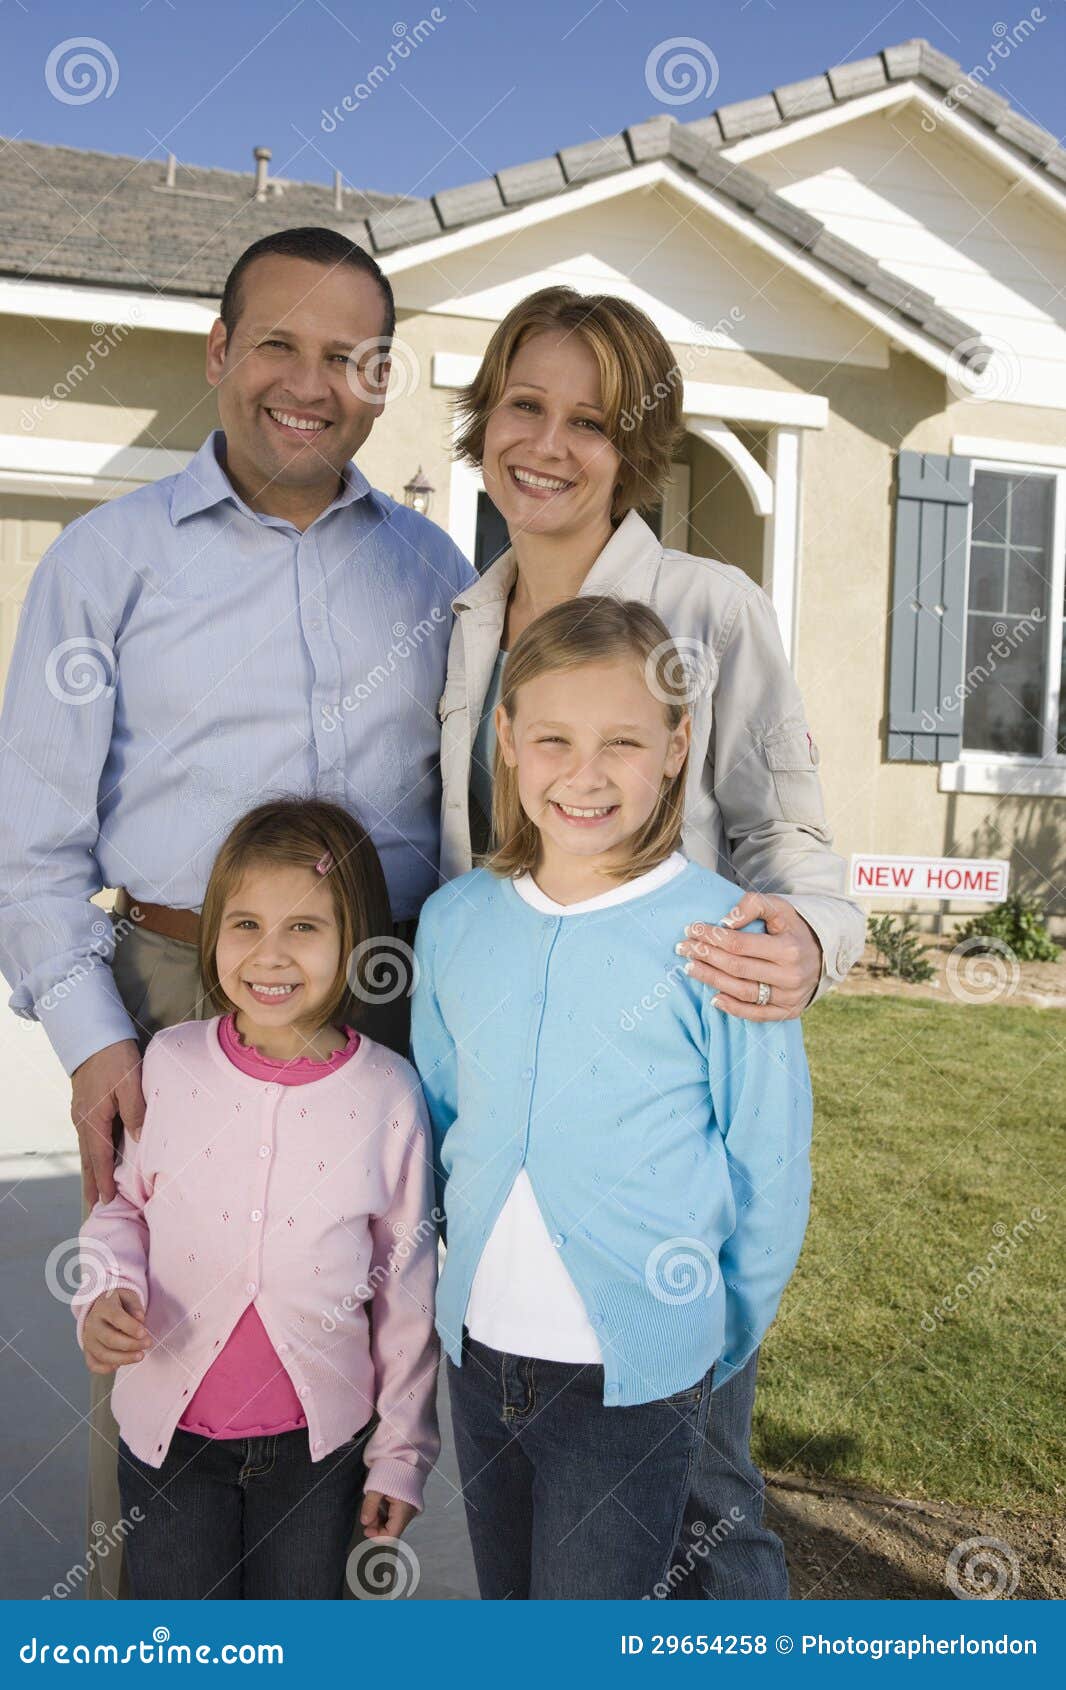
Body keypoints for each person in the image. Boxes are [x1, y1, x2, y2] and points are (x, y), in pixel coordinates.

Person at [0, 226, 475, 1598]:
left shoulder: (437, 573)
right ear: (218, 351)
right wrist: (97, 1042)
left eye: (348, 357)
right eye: (278, 343)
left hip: (386, 992)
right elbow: (30, 845)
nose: (309, 383)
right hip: (171, 986)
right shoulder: (107, 561)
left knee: (354, 1337)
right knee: (167, 1349)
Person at [437, 284, 862, 1598]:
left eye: (590, 420)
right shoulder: (464, 619)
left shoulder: (707, 606)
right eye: (524, 405)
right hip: (514, 1143)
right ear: (485, 417)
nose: (548, 444)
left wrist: (804, 936)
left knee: (706, 1503)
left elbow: (790, 834)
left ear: (633, 448)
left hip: (657, 1155)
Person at [411, 596, 812, 1600]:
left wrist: (708, 1343)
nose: (584, 774)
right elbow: (445, 1115)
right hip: (481, 1355)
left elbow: (767, 1161)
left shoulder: (726, 937)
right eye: (553, 739)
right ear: (507, 740)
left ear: (676, 749)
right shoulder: (455, 922)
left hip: (634, 1380)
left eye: (623, 742)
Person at [70, 797, 440, 1599]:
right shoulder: (169, 1064)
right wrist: (104, 1289)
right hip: (170, 1451)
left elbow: (408, 1292)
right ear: (213, 933)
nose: (270, 955)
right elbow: (121, 1209)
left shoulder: (388, 1094)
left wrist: (401, 1454)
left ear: (354, 937)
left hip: (319, 1455)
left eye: (303, 927)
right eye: (245, 924)